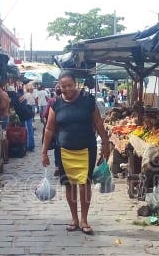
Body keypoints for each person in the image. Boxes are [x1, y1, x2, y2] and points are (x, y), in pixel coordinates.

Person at [41, 72, 110, 235]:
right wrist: (44, 151)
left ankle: (84, 219)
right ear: (59, 87)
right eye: (63, 86)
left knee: (84, 184)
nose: (67, 89)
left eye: (70, 85)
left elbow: (98, 122)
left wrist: (106, 144)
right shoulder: (55, 103)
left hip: (86, 149)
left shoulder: (87, 100)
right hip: (63, 150)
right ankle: (74, 219)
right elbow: (50, 128)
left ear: (75, 84)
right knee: (69, 185)